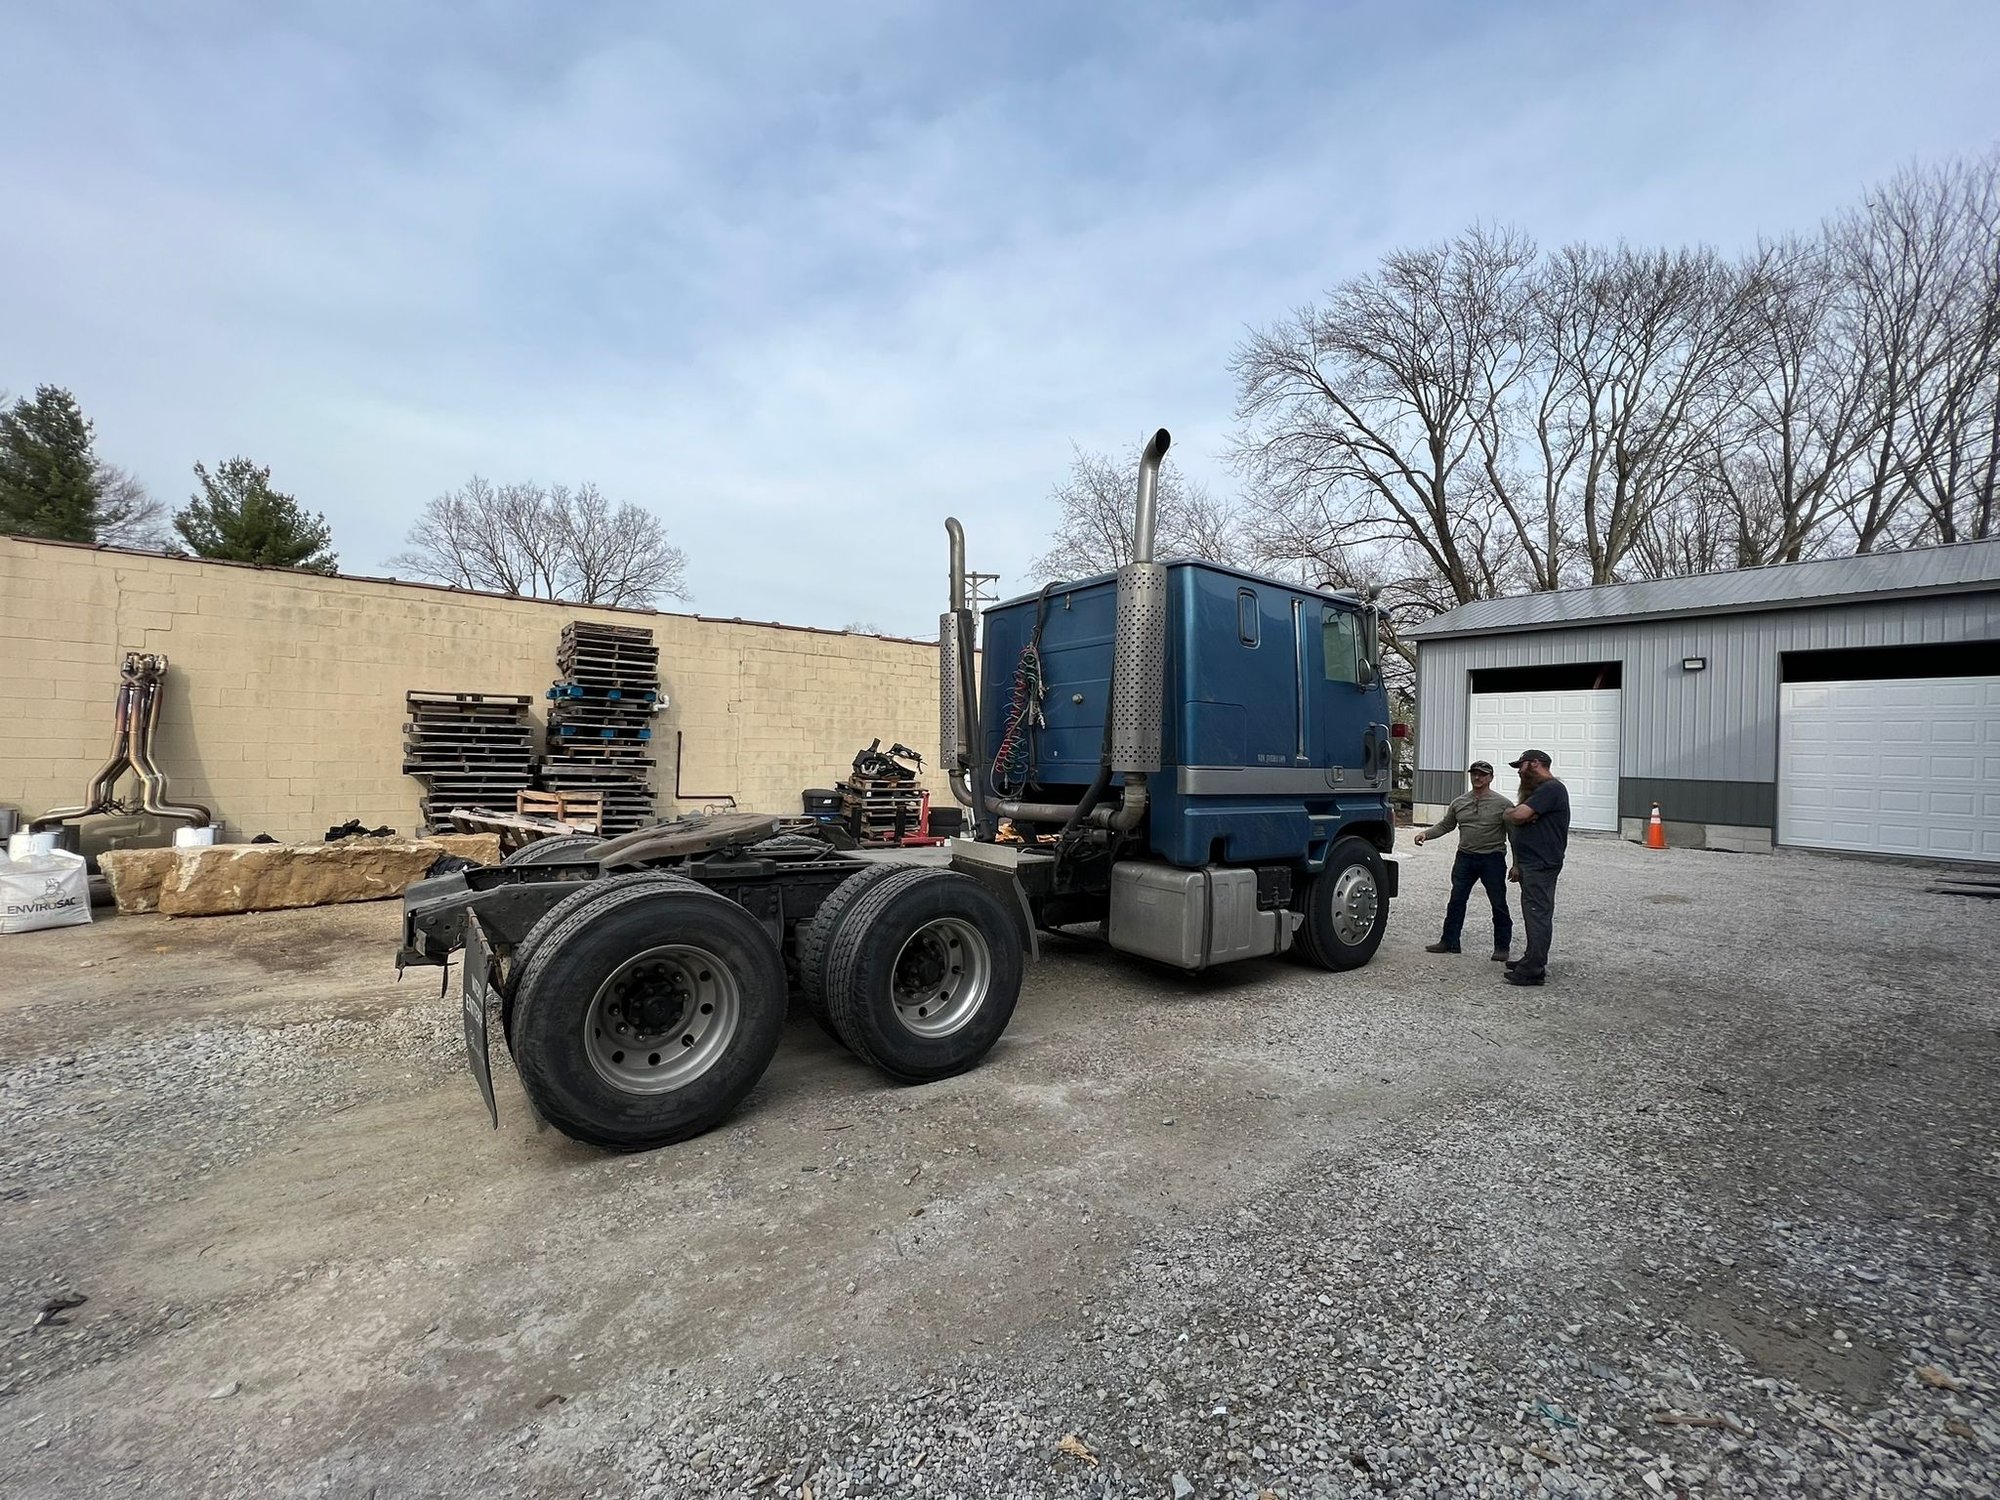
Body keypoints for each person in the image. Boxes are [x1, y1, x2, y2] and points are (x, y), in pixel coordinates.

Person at [1412, 760, 1514, 960]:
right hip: (1465, 858)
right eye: (1474, 773)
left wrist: (1517, 865)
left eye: (1482, 774)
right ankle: (1449, 941)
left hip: (1492, 859)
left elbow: (1514, 836)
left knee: (1498, 903)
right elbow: (1446, 825)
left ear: (1491, 778)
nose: (1477, 777)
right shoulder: (1459, 802)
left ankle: (1502, 947)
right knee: (1456, 901)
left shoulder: (1503, 804)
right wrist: (1426, 834)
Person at [1500, 749, 1571, 987]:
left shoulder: (1551, 789)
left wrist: (1512, 813)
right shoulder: (1541, 791)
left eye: (1521, 766)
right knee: (1533, 912)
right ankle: (1531, 957)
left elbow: (1519, 814)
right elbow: (1521, 815)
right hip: (1533, 862)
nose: (1519, 772)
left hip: (1541, 863)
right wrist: (1517, 814)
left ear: (1535, 764)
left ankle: (1533, 969)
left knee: (1537, 913)